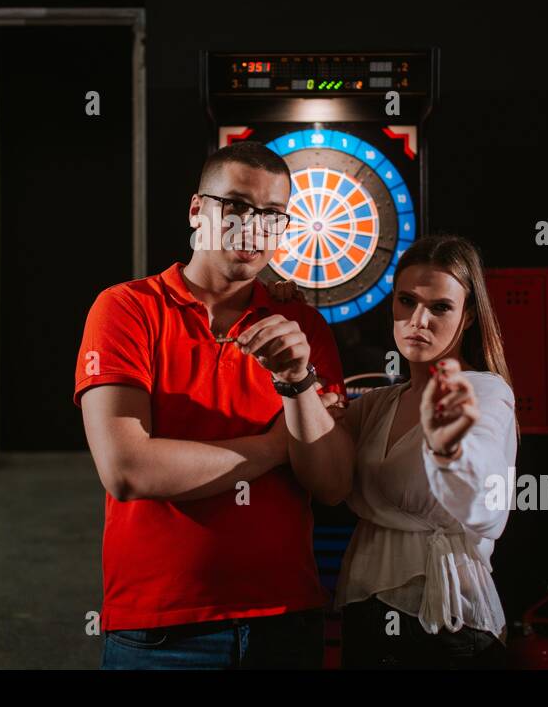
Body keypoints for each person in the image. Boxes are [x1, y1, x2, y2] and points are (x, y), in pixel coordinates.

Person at [73, 141, 348, 669]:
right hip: (161, 631)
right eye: (238, 207)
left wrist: (295, 380)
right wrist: (276, 445)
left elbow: (333, 484)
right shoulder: (128, 309)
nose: (254, 228)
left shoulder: (302, 328)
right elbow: (129, 469)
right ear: (198, 210)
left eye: (272, 216)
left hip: (284, 621)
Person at [269, 234, 520, 668]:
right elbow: (316, 460)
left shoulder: (484, 392)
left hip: (446, 628)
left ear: (469, 316)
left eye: (440, 307)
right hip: (367, 618)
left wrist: (452, 450)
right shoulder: (379, 405)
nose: (418, 320)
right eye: (406, 301)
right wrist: (279, 307)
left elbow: (489, 508)